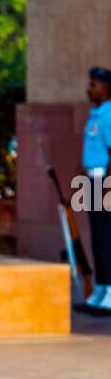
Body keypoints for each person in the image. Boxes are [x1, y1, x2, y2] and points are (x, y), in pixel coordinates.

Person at [81, 67, 111, 313]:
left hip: (104, 183)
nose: (90, 89)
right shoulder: (96, 114)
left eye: (94, 85)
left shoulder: (109, 114)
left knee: (107, 236)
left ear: (106, 88)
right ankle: (100, 289)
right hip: (92, 182)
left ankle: (110, 290)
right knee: (97, 236)